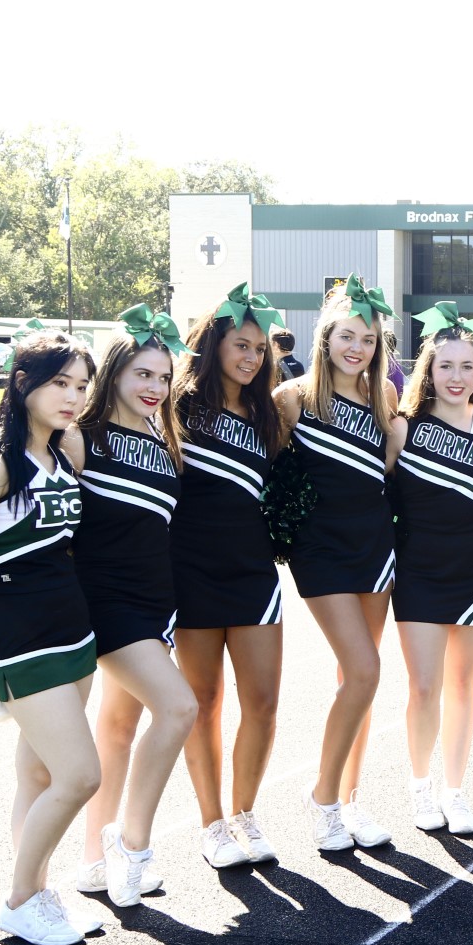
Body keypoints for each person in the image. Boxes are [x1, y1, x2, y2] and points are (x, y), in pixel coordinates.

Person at [0, 330, 103, 945]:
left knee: (38, 775)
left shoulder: (65, 454)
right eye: (59, 382)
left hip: (74, 631)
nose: (72, 396)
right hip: (22, 638)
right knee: (80, 776)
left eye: (81, 385)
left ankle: (36, 891)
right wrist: (5, 616)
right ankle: (17, 899)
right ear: (23, 382)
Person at [74, 306, 199, 907]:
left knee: (119, 727)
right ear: (116, 375)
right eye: (141, 375)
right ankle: (135, 844)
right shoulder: (83, 438)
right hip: (106, 604)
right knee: (178, 709)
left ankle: (94, 859)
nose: (153, 388)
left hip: (157, 605)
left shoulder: (166, 441)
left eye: (162, 377)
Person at [274, 274, 402, 851]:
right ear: (325, 338)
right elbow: (268, 478)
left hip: (374, 546)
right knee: (367, 669)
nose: (357, 348)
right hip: (319, 552)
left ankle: (349, 799)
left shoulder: (384, 398)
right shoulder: (292, 398)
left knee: (357, 679)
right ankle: (324, 798)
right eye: (347, 336)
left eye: (368, 340)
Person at [172, 283, 289, 868]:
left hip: (252, 571)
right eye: (241, 345)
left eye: (260, 349)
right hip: (191, 573)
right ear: (215, 344)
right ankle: (212, 823)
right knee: (203, 701)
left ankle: (246, 812)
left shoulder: (267, 411)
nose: (250, 357)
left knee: (263, 701)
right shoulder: (178, 406)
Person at [390, 301, 473, 836]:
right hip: (418, 567)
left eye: (468, 367)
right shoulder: (403, 425)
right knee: (422, 686)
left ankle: (455, 791)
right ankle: (420, 788)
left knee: (463, 684)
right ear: (428, 371)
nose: (457, 377)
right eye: (446, 366)